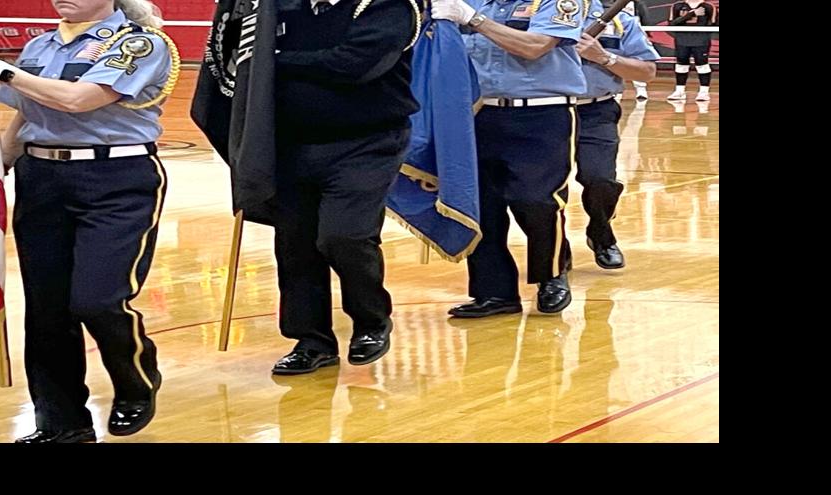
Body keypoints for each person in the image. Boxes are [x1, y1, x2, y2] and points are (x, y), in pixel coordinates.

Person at [0, 0, 179, 442]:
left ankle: (136, 380)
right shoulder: (40, 45)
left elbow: (79, 99)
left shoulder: (140, 42)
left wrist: (0, 69)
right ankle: (61, 423)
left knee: (99, 299)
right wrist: (1, 160)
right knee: (47, 309)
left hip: (115, 181)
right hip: (43, 179)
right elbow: (27, 112)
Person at [266, 0, 421, 376]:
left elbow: (353, 64)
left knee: (344, 236)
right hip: (292, 144)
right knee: (295, 246)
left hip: (367, 143)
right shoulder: (279, 7)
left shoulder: (390, 6)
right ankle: (311, 341)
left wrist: (277, 60)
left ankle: (371, 321)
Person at [432, 0, 585, 318]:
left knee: (536, 200)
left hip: (541, 111)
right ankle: (494, 292)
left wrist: (473, 20)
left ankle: (551, 275)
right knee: (481, 206)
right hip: (474, 113)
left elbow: (536, 46)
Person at [574, 0, 657, 269]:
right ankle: (555, 253)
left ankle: (601, 232)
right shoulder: (536, 12)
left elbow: (647, 71)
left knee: (600, 179)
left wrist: (603, 57)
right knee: (544, 192)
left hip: (596, 111)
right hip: (544, 111)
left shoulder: (619, 21)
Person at [666, 0, 715, 102]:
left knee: (702, 64)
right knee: (681, 64)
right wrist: (691, 14)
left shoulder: (708, 6)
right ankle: (679, 91)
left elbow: (714, 24)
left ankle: (704, 92)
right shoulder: (677, 6)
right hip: (682, 40)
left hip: (701, 41)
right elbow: (672, 24)